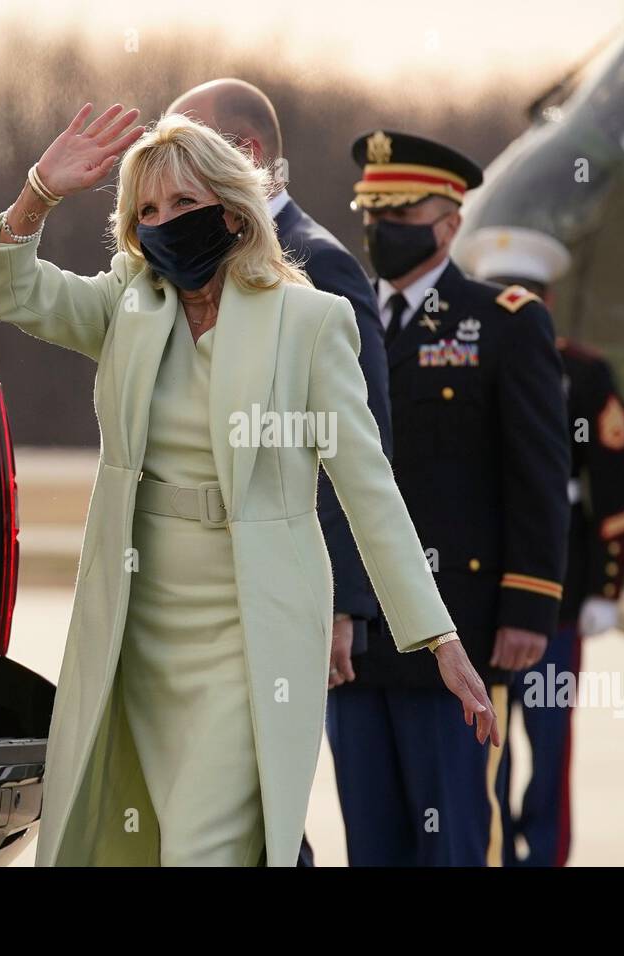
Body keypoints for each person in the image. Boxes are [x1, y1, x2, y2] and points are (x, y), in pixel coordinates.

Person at [0, 105, 502, 867]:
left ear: (230, 207)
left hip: (249, 627)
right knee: (135, 843)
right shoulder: (128, 303)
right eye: (147, 209)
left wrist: (439, 638)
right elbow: (13, 291)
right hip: (137, 620)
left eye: (184, 204)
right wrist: (38, 193)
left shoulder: (309, 320)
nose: (164, 222)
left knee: (206, 847)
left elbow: (367, 486)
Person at [325, 131, 570, 866]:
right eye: (373, 211)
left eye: (402, 212)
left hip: (454, 631)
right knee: (373, 843)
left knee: (456, 841)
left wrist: (529, 605)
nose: (381, 229)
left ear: (451, 221)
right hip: (358, 640)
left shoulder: (504, 319)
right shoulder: (334, 319)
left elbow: (538, 472)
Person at [166, 77, 391, 868]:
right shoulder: (195, 260)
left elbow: (354, 453)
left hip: (284, 590)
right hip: (203, 591)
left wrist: (344, 607)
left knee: (259, 800)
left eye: (190, 150)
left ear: (247, 155)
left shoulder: (319, 269)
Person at [458, 225, 624, 866]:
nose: (515, 305)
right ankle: (497, 852)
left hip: (558, 591)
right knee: (486, 740)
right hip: (480, 586)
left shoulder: (583, 375)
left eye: (526, 294)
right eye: (503, 293)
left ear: (547, 298)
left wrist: (605, 590)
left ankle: (546, 858)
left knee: (551, 739)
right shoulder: (457, 359)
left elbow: (612, 492)